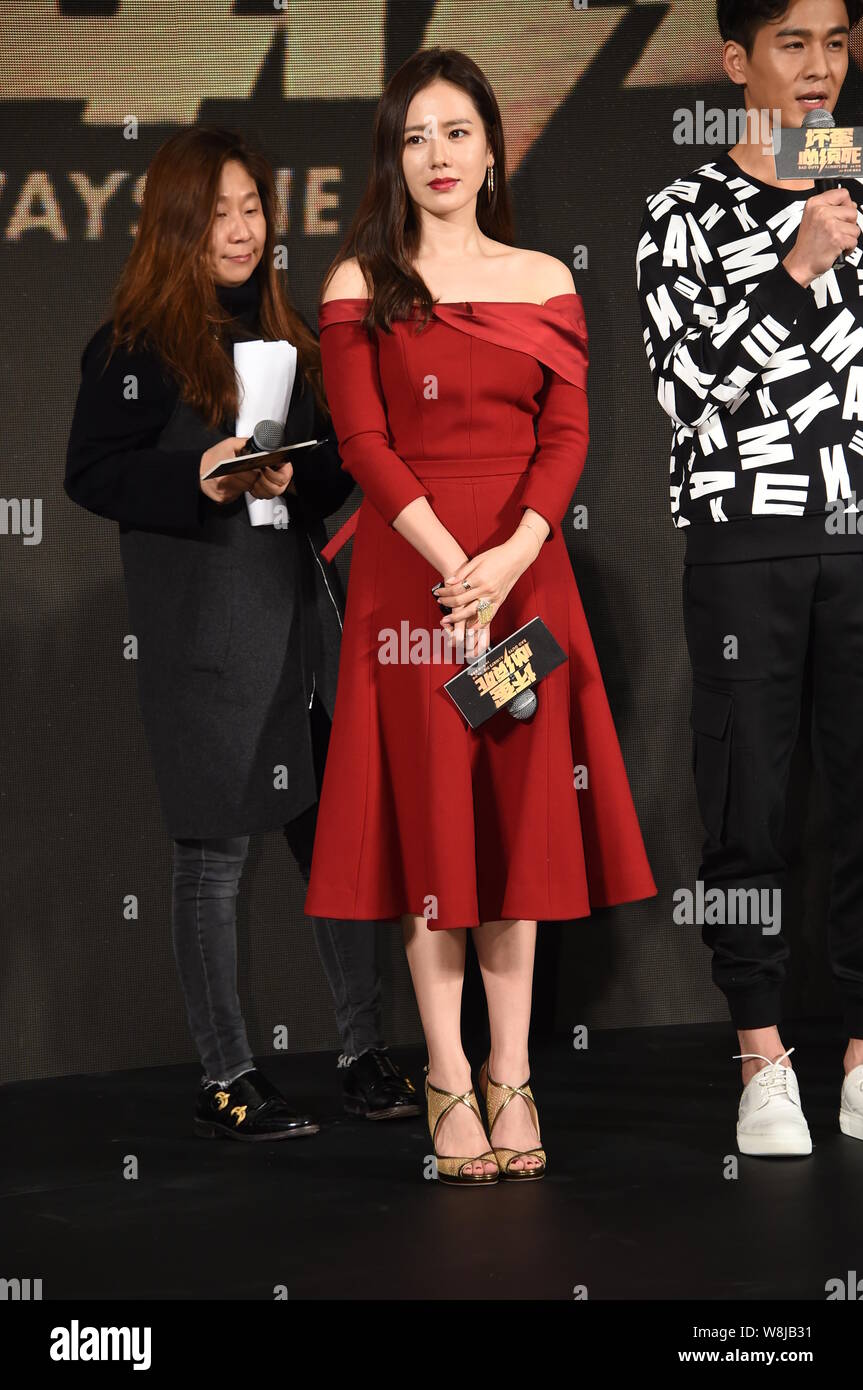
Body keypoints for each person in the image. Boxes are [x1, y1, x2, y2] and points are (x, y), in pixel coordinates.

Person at [303, 48, 657, 1186]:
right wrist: (456, 565)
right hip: (414, 586)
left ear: (492, 148)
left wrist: (508, 556)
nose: (435, 155)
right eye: (413, 137)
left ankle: (513, 1073)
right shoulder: (358, 282)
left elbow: (565, 440)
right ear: (392, 161)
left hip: (523, 582)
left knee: (516, 834)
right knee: (431, 838)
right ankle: (445, 1076)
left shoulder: (545, 277)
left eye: (454, 131)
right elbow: (362, 444)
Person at [65, 125, 420, 1141]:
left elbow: (336, 471)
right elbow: (89, 475)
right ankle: (227, 1072)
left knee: (340, 845)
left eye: (251, 207)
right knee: (212, 861)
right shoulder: (130, 348)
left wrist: (287, 473)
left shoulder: (294, 334)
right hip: (202, 643)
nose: (239, 228)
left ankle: (363, 1054)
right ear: (176, 223)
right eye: (216, 210)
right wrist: (198, 475)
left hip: (298, 634)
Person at [636, 0, 863, 1156]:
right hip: (744, 541)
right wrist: (793, 264)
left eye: (833, 41)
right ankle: (762, 1056)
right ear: (736, 61)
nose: (817, 66)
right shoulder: (679, 212)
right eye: (791, 43)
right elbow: (687, 393)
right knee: (746, 806)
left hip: (858, 535)